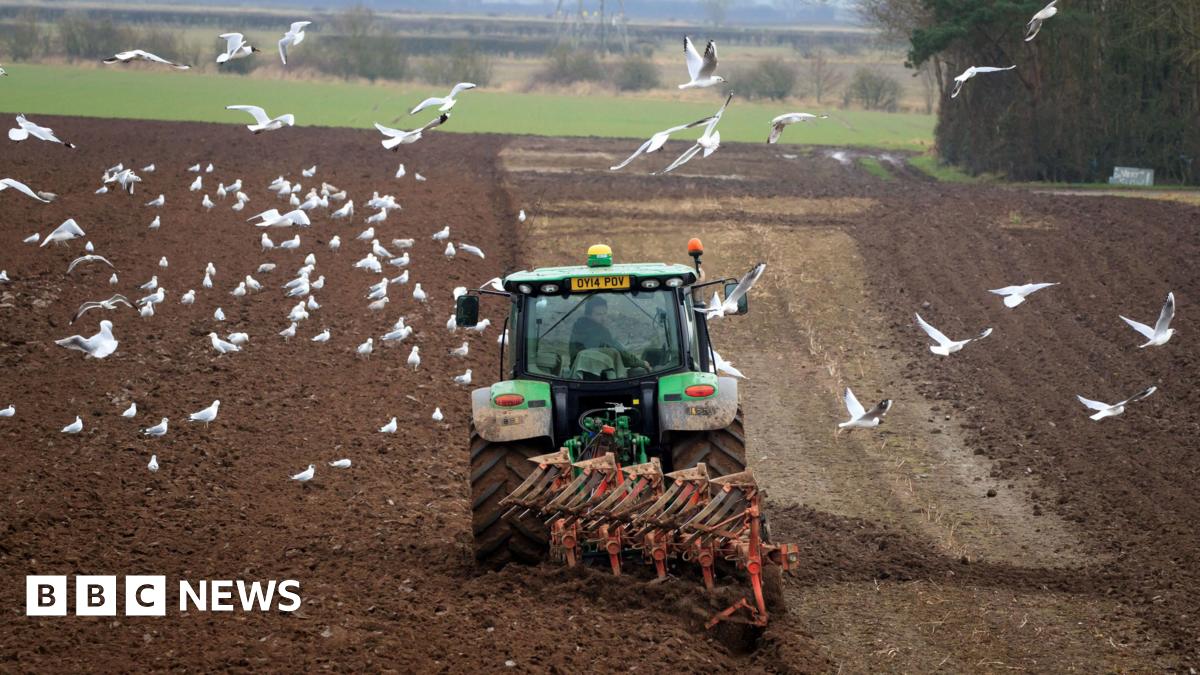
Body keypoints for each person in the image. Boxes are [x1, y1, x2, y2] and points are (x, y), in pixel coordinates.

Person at [568, 296, 648, 372]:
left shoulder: (578, 327)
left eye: (605, 313)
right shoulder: (599, 331)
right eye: (599, 314)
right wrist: (641, 363)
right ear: (588, 315)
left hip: (578, 372)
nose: (603, 318)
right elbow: (619, 351)